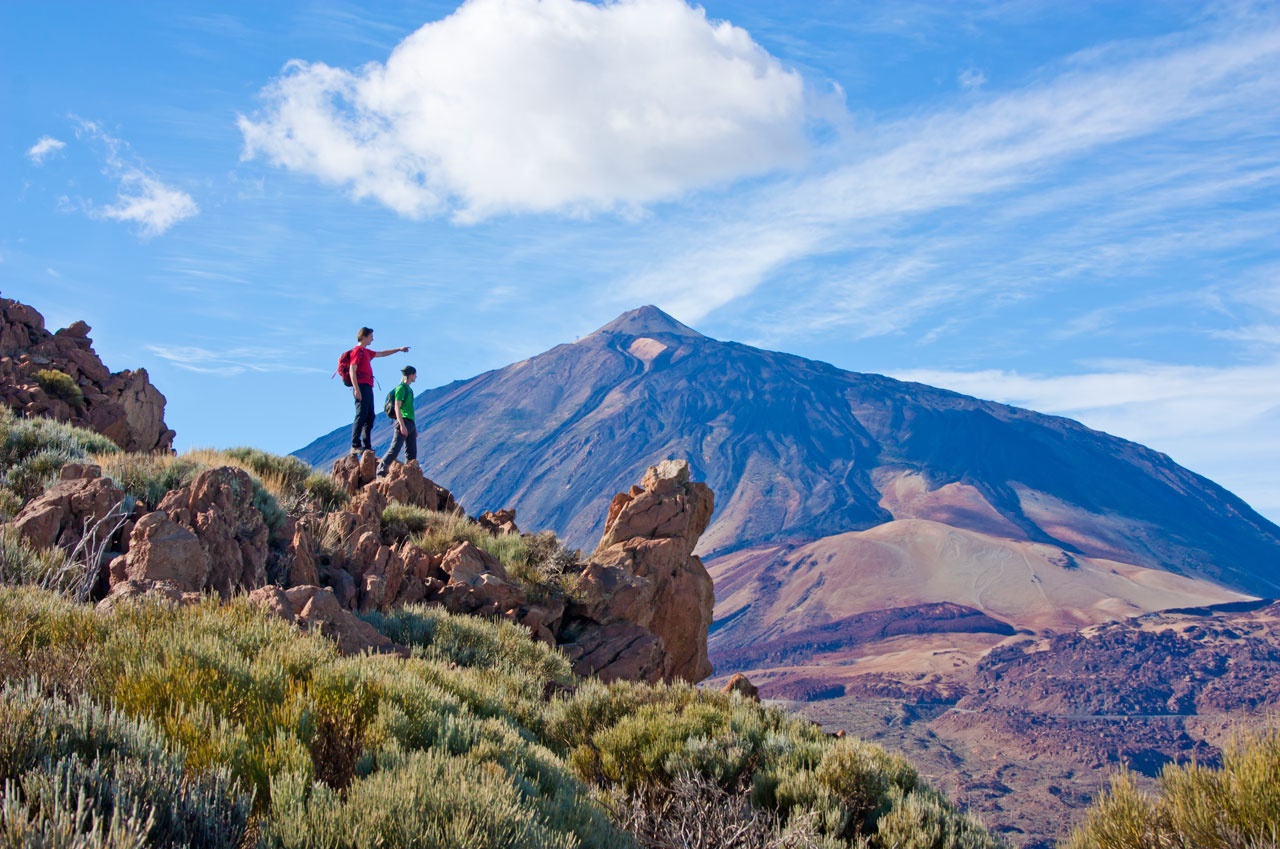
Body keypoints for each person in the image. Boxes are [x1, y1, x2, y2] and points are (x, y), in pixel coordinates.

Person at [349, 327, 409, 455]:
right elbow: (352, 370)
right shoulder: (357, 352)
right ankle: (355, 444)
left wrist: (399, 349)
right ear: (364, 336)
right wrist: (356, 388)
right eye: (371, 336)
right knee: (361, 414)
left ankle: (367, 445)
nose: (372, 339)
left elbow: (382, 353)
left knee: (370, 416)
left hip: (368, 386)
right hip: (361, 386)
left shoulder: (366, 352)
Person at [379, 365, 418, 476]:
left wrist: (414, 428)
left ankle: (409, 475)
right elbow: (397, 407)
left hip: (410, 423)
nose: (416, 377)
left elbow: (409, 410)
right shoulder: (401, 388)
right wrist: (402, 425)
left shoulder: (409, 390)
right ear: (411, 375)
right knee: (395, 449)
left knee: (411, 453)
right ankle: (381, 471)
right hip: (403, 422)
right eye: (415, 375)